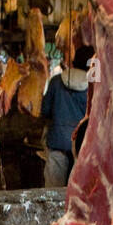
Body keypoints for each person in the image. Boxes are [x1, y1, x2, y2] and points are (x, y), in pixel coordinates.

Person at [41, 44, 93, 188]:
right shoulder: (93, 86)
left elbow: (44, 111)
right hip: (82, 147)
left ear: (74, 61)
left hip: (57, 143)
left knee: (53, 193)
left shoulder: (56, 82)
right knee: (78, 195)